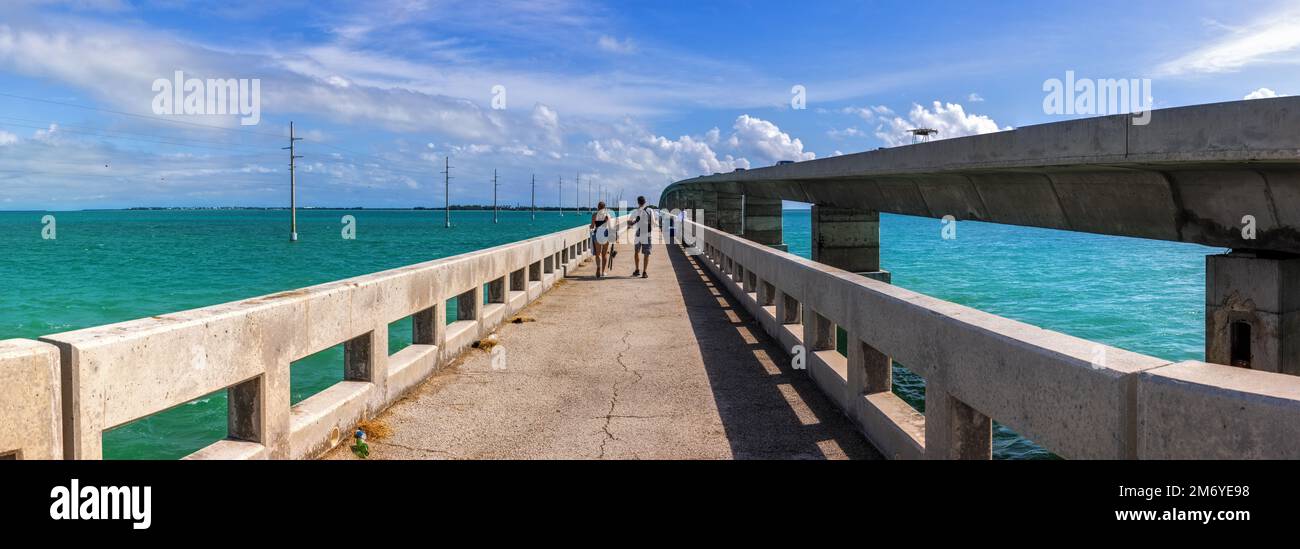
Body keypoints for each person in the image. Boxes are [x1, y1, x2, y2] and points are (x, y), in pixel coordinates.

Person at [627, 196, 655, 278]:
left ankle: (637, 270)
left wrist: (633, 223)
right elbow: (653, 222)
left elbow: (629, 222)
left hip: (639, 233)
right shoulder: (650, 210)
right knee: (646, 254)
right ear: (645, 202)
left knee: (636, 252)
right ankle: (644, 272)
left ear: (638, 202)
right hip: (647, 234)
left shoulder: (636, 211)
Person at [590, 201, 612, 278]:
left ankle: (598, 267)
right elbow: (610, 226)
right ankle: (603, 272)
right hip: (605, 234)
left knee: (598, 254)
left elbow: (592, 226)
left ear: (598, 207)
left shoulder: (594, 215)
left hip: (597, 234)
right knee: (604, 254)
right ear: (604, 207)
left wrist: (591, 226)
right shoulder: (607, 215)